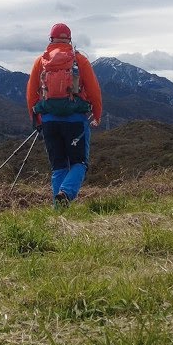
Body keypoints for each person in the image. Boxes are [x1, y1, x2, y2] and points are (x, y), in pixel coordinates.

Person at [26, 22, 103, 209]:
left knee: (59, 166)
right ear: (69, 39)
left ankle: (59, 211)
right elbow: (94, 90)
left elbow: (31, 93)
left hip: (49, 121)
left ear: (51, 39)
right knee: (79, 163)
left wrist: (35, 118)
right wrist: (97, 114)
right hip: (75, 120)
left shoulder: (41, 61)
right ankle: (66, 194)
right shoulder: (79, 60)